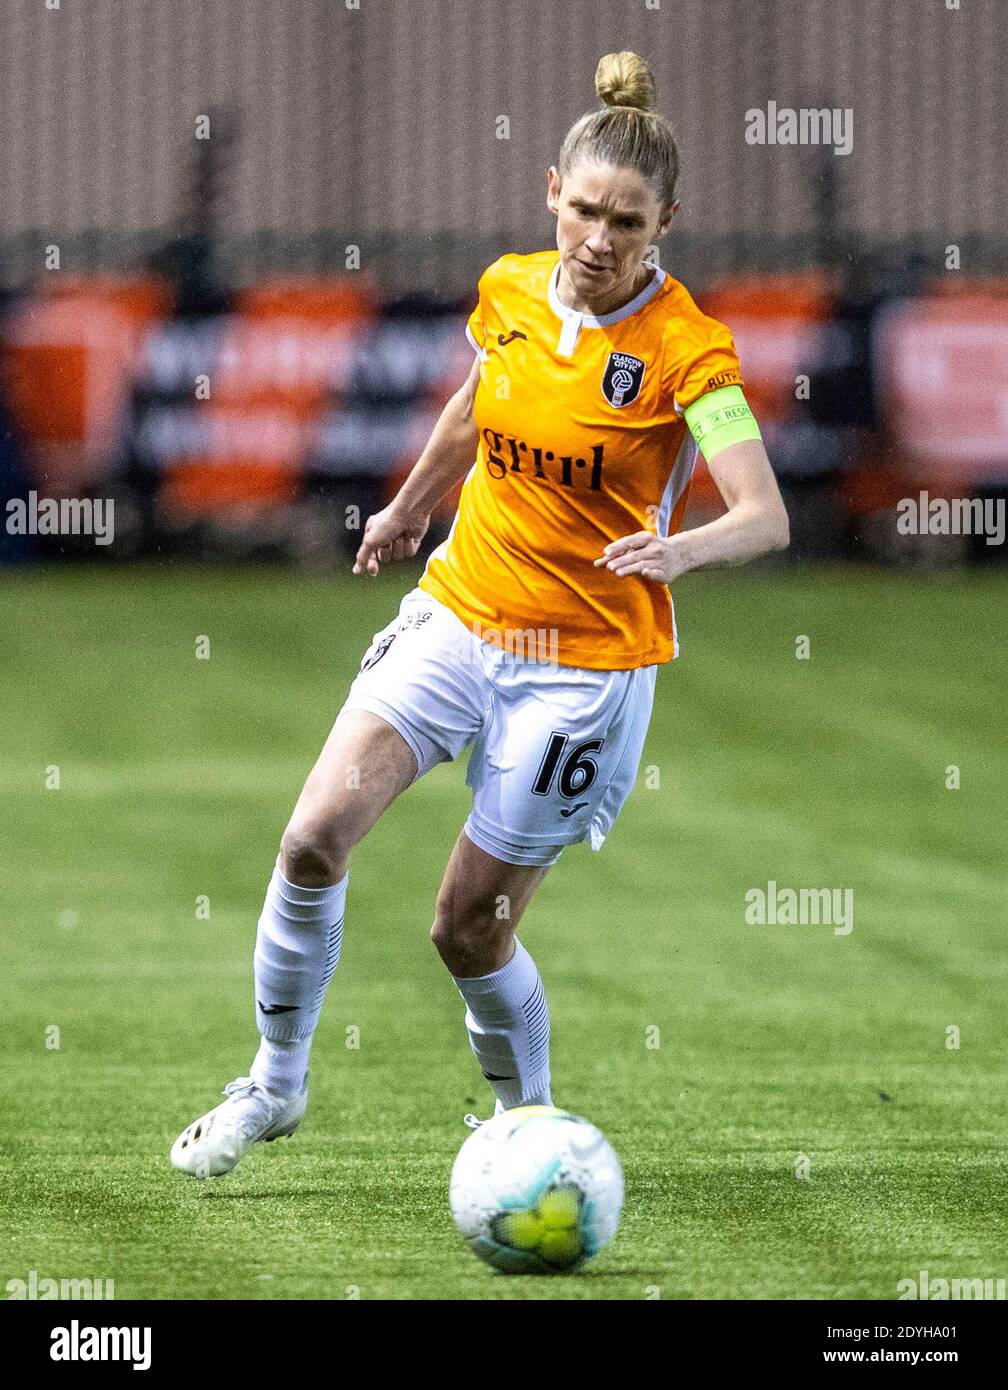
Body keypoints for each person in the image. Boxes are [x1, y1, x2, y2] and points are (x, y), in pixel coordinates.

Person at [170, 50, 789, 1178]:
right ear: (553, 188)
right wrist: (408, 507)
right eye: (587, 210)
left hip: (585, 669)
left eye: (630, 223)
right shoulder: (508, 288)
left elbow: (764, 514)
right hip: (461, 613)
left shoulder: (685, 351)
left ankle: (531, 1138)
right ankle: (273, 1083)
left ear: (667, 226)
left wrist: (681, 548)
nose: (600, 239)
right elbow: (472, 406)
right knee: (312, 837)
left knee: (466, 927)